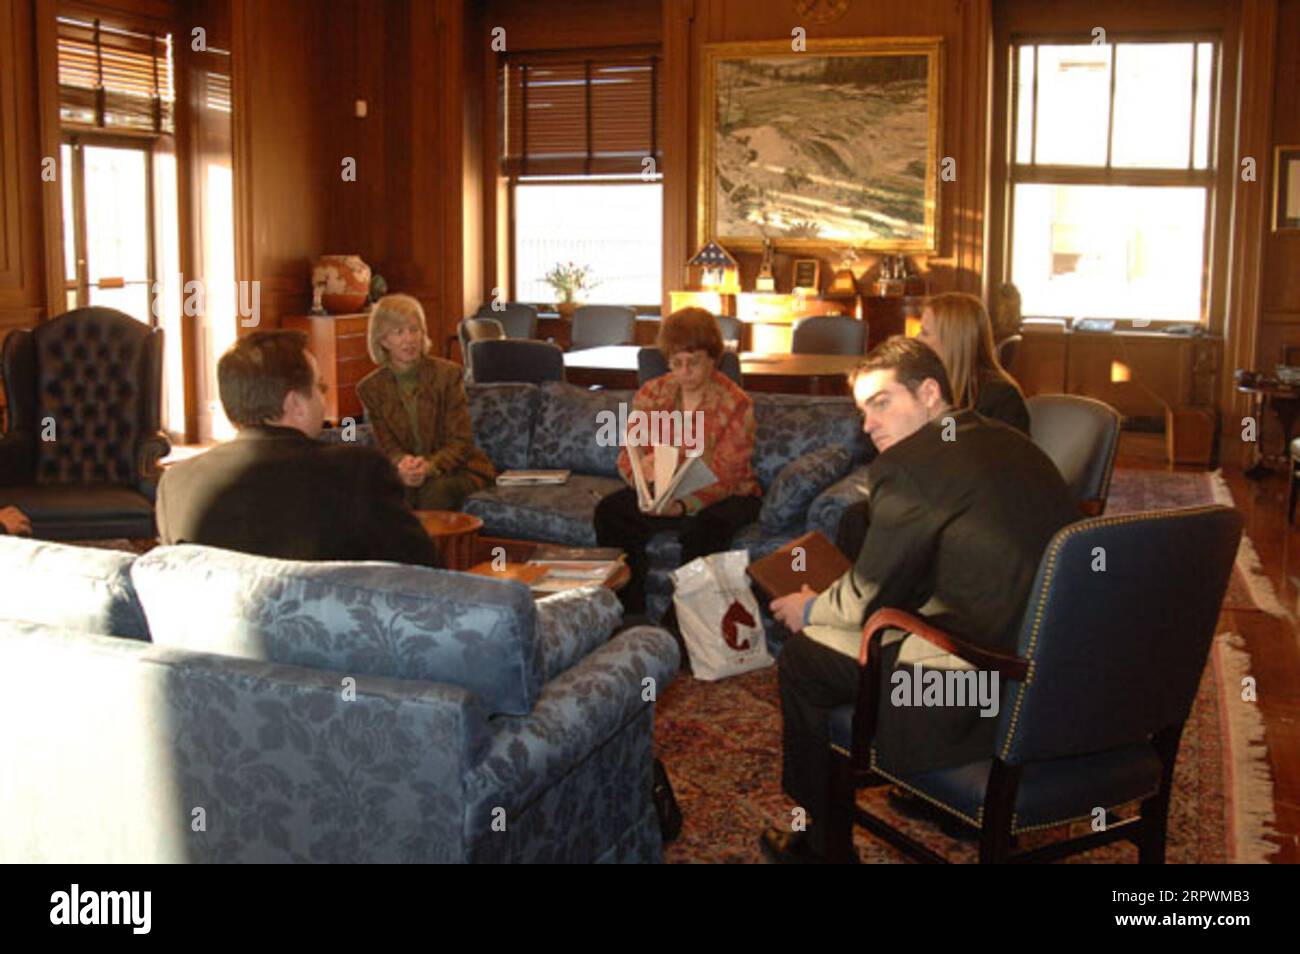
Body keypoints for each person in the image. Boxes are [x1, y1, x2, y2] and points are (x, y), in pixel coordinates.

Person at [763, 337, 1077, 863]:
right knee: (859, 539)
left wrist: (811, 609)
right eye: (863, 410)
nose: (868, 424)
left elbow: (865, 599)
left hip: (968, 689)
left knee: (803, 658)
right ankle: (932, 796)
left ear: (930, 393)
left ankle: (823, 847)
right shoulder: (1006, 438)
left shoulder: (910, 467)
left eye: (881, 402)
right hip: (1054, 680)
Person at [157, 330, 440, 567]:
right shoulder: (357, 471)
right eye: (320, 386)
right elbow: (425, 574)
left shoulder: (174, 483)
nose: (323, 396)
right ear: (295, 404)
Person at [836, 291, 1030, 557]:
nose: (917, 339)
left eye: (925, 332)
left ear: (953, 340)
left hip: (974, 514)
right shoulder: (935, 388)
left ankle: (863, 595)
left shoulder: (998, 396)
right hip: (936, 495)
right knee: (855, 518)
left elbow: (988, 473)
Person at [594, 308, 760, 616]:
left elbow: (726, 474)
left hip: (724, 495)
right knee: (610, 512)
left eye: (694, 362)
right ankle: (629, 613)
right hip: (663, 493)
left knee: (709, 529)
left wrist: (684, 506)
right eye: (676, 362)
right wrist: (642, 484)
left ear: (713, 358)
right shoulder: (653, 392)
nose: (684, 372)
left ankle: (681, 625)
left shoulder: (736, 403)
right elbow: (629, 452)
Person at [356, 294, 494, 511]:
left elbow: (461, 440)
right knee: (383, 495)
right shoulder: (371, 389)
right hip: (408, 474)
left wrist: (429, 467)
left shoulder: (447, 375)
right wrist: (403, 465)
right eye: (399, 332)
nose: (409, 339)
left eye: (414, 330)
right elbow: (388, 445)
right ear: (382, 340)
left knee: (434, 493)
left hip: (458, 470)